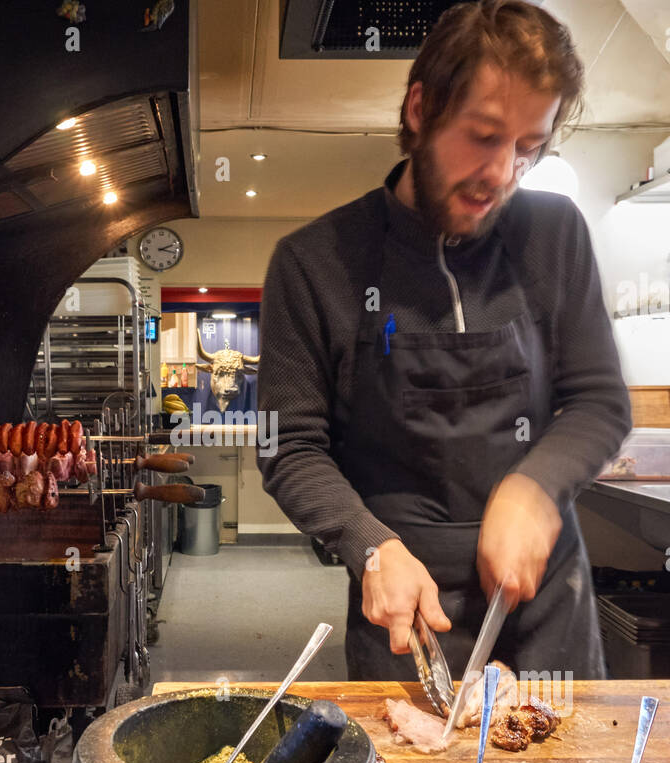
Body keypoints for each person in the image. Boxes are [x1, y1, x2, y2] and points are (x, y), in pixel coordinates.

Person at [256, 0, 631, 681]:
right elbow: (288, 445)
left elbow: (599, 401)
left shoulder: (556, 235)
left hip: (544, 594)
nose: (502, 173)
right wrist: (368, 546)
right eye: (483, 135)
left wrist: (536, 487)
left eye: (528, 147)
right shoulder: (315, 264)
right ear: (419, 109)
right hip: (406, 604)